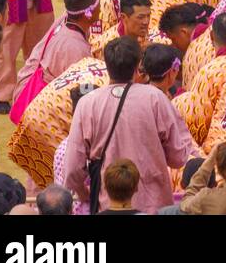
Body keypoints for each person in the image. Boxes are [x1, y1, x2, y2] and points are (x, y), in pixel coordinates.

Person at [63, 36, 195, 211]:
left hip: (107, 203)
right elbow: (178, 157)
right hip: (153, 203)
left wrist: (84, 194)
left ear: (107, 65)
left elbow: (72, 169)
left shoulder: (87, 103)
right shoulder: (155, 99)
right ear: (138, 66)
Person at [13, 0, 98, 105]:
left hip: (36, 90)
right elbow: (84, 93)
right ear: (88, 15)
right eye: (98, 4)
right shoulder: (77, 49)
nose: (100, 7)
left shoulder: (64, 21)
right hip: (46, 105)